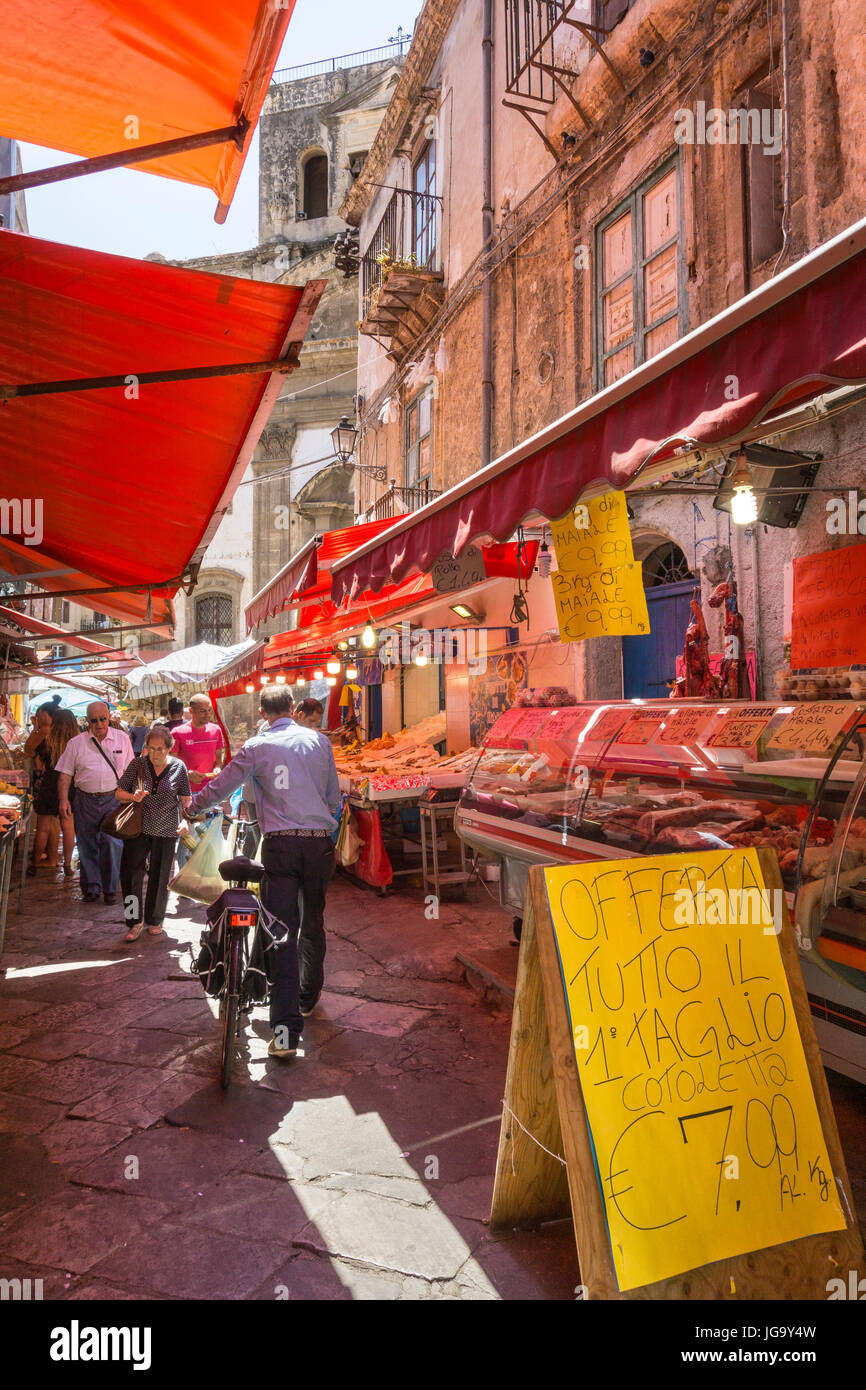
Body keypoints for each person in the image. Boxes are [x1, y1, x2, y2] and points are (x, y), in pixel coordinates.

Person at [188, 685, 340, 1060]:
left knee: (283, 931)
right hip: (319, 843)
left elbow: (222, 786)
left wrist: (194, 805)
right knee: (314, 920)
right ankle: (308, 996)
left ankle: (286, 1033)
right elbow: (334, 797)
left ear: (262, 711)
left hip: (281, 846)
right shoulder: (319, 742)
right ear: (292, 707)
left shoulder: (256, 746)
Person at [115, 724, 192, 941]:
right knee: (131, 875)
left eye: (160, 749)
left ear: (169, 748)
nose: (155, 754)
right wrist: (133, 796)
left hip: (167, 829)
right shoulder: (138, 764)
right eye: (151, 748)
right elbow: (118, 793)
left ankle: (155, 919)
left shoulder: (179, 767)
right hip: (138, 827)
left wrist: (185, 821)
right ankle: (133, 921)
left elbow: (186, 800)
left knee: (160, 877)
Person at [56, 701, 134, 904]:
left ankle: (109, 888)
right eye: (94, 720)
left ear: (109, 718)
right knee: (86, 844)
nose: (99, 724)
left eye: (103, 719)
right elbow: (64, 775)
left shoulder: (122, 739)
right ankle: (91, 887)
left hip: (113, 798)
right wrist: (64, 800)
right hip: (85, 800)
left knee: (112, 843)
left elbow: (131, 772)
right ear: (87, 721)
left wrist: (131, 799)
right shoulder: (76, 743)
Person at [30, 709, 78, 877]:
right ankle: (67, 865)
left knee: (42, 828)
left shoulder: (47, 741)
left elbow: (37, 760)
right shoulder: (77, 743)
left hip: (49, 784)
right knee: (68, 827)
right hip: (69, 786)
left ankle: (34, 864)